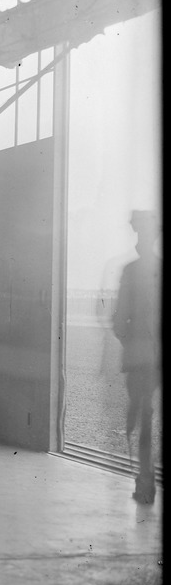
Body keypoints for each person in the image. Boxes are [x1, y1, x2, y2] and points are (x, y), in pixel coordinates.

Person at [112, 210, 161, 503]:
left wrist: (128, 339)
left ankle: (145, 483)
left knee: (143, 418)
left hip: (139, 358)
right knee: (147, 417)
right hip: (156, 356)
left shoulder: (131, 271)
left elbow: (119, 321)